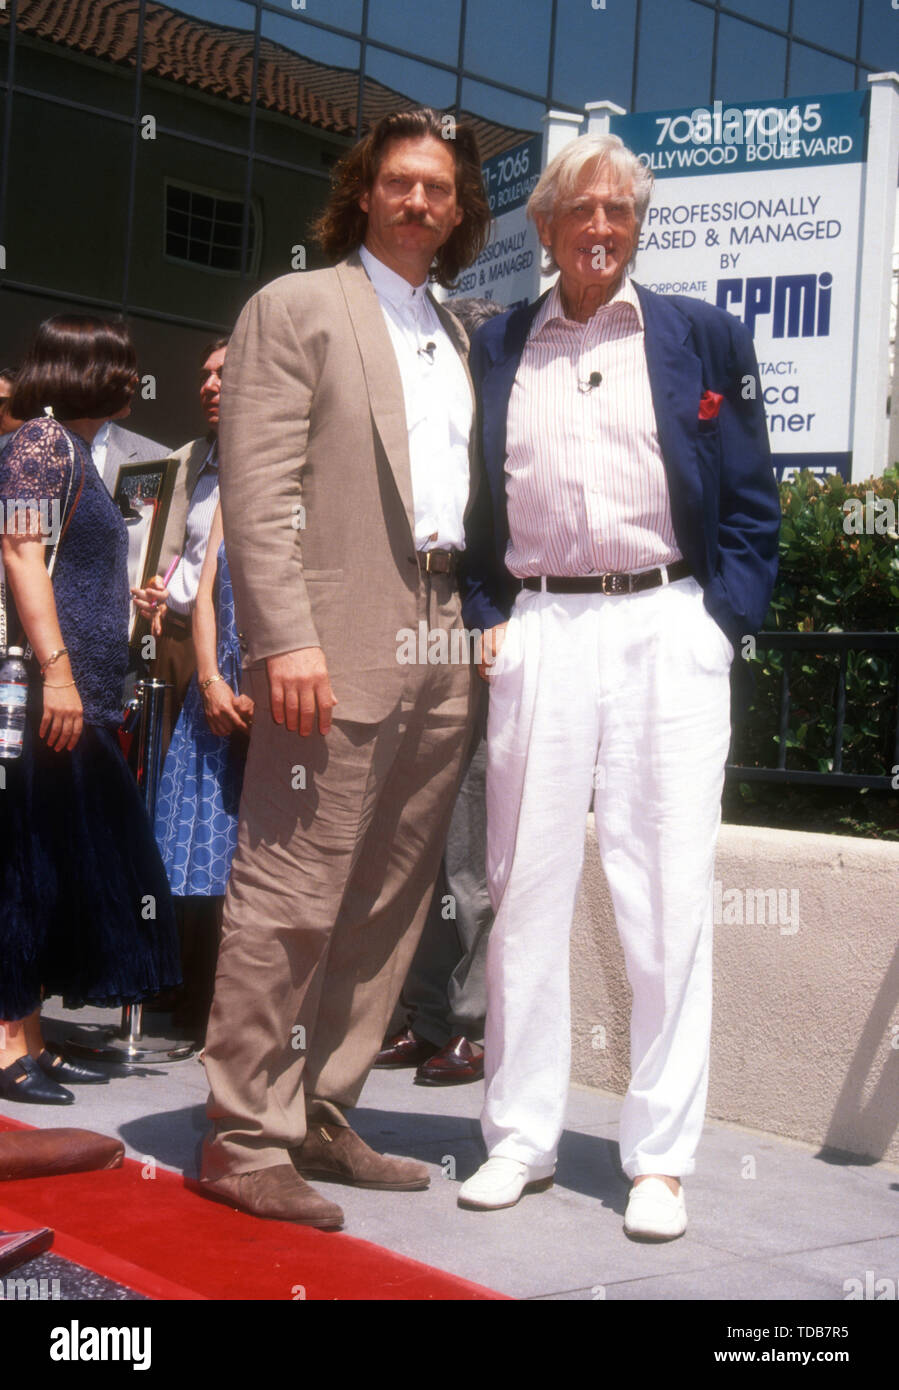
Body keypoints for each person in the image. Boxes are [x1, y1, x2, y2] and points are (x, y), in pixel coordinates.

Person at [457, 133, 780, 1238]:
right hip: (540, 625)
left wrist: (715, 625)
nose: (601, 229)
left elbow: (749, 504)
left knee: (665, 896)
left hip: (664, 625)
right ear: (542, 228)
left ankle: (658, 1157)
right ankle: (517, 1136)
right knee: (525, 887)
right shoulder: (496, 342)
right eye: (581, 211)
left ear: (636, 228)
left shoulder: (701, 337)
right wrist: (485, 619)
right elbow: (465, 504)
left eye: (620, 213)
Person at [198, 106, 491, 1229]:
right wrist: (284, 637)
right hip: (333, 634)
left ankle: (322, 1106)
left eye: (439, 188)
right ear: (364, 192)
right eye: (400, 183)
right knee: (292, 893)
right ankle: (239, 1132)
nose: (419, 201)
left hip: (438, 633)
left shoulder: (460, 334)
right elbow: (259, 487)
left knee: (385, 903)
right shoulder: (298, 306)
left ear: (461, 211)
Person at [0, 315, 181, 1106]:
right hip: (47, 698)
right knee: (20, 865)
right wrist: (59, 675)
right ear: (79, 370)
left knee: (47, 868)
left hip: (76, 698)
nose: (129, 382)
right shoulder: (41, 444)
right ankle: (7, 1042)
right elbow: (19, 552)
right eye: (117, 368)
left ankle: (31, 1034)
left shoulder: (68, 450)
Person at [375, 298, 506, 1087]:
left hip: (488, 641)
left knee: (469, 847)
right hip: (421, 632)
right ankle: (424, 1018)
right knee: (417, 842)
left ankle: (473, 1024)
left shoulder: (504, 444)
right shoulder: (429, 443)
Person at [153, 503, 253, 1041]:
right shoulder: (232, 489)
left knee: (261, 859)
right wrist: (212, 680)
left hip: (278, 693)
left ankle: (244, 1012)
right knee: (206, 851)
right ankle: (199, 996)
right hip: (217, 689)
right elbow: (206, 594)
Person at [133, 337, 229, 757]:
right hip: (175, 640)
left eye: (224, 374)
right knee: (162, 767)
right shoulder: (188, 461)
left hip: (235, 648)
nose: (208, 385)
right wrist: (155, 586)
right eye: (205, 375)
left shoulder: (288, 466)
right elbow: (167, 553)